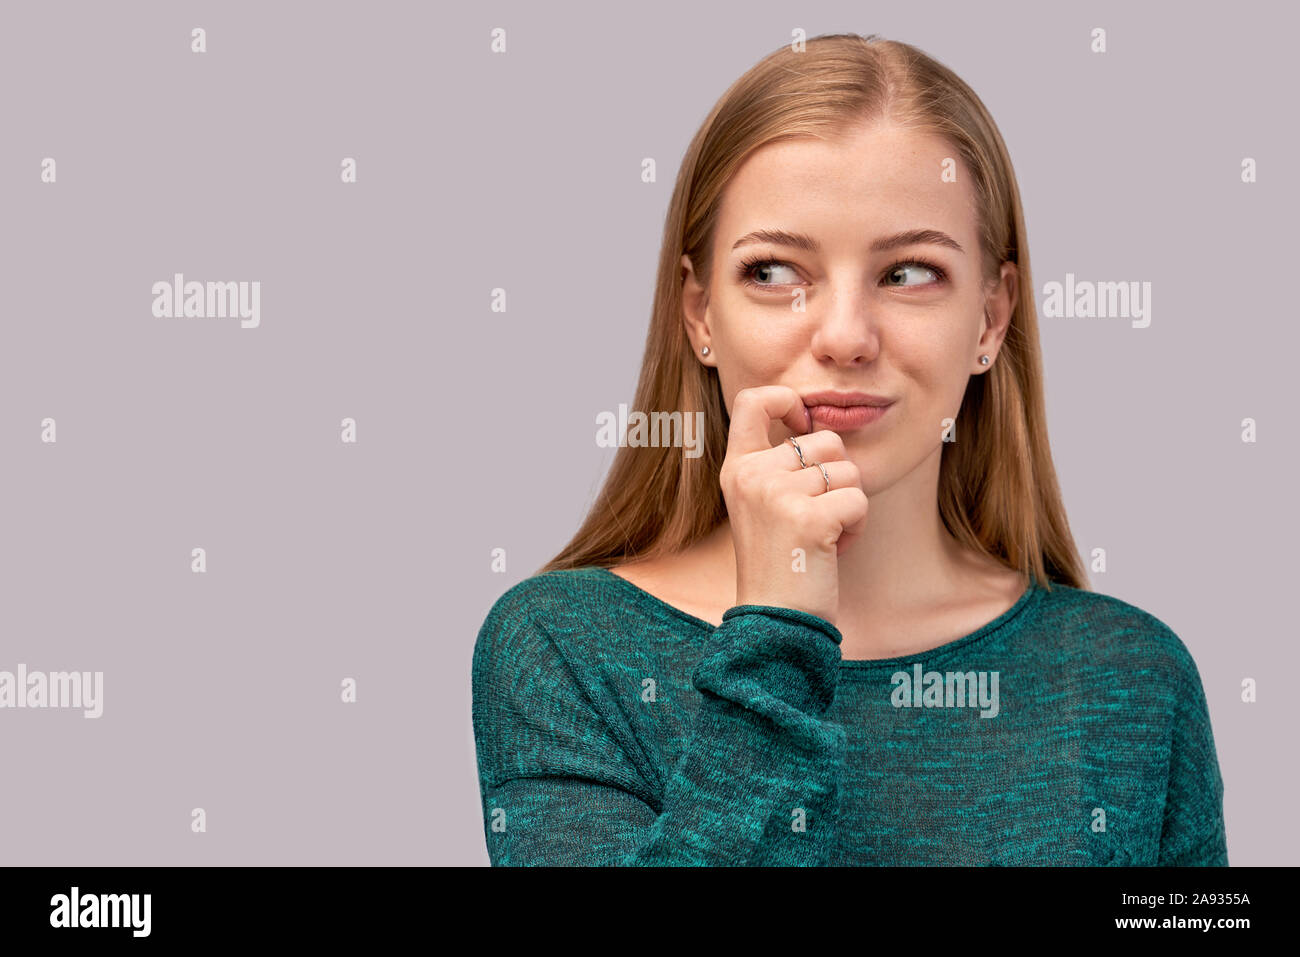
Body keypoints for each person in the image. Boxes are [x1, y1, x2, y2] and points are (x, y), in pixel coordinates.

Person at [470, 33, 1227, 866]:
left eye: (908, 274)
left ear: (991, 317)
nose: (844, 336)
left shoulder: (1135, 678)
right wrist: (778, 629)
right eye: (773, 271)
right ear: (699, 313)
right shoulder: (562, 647)